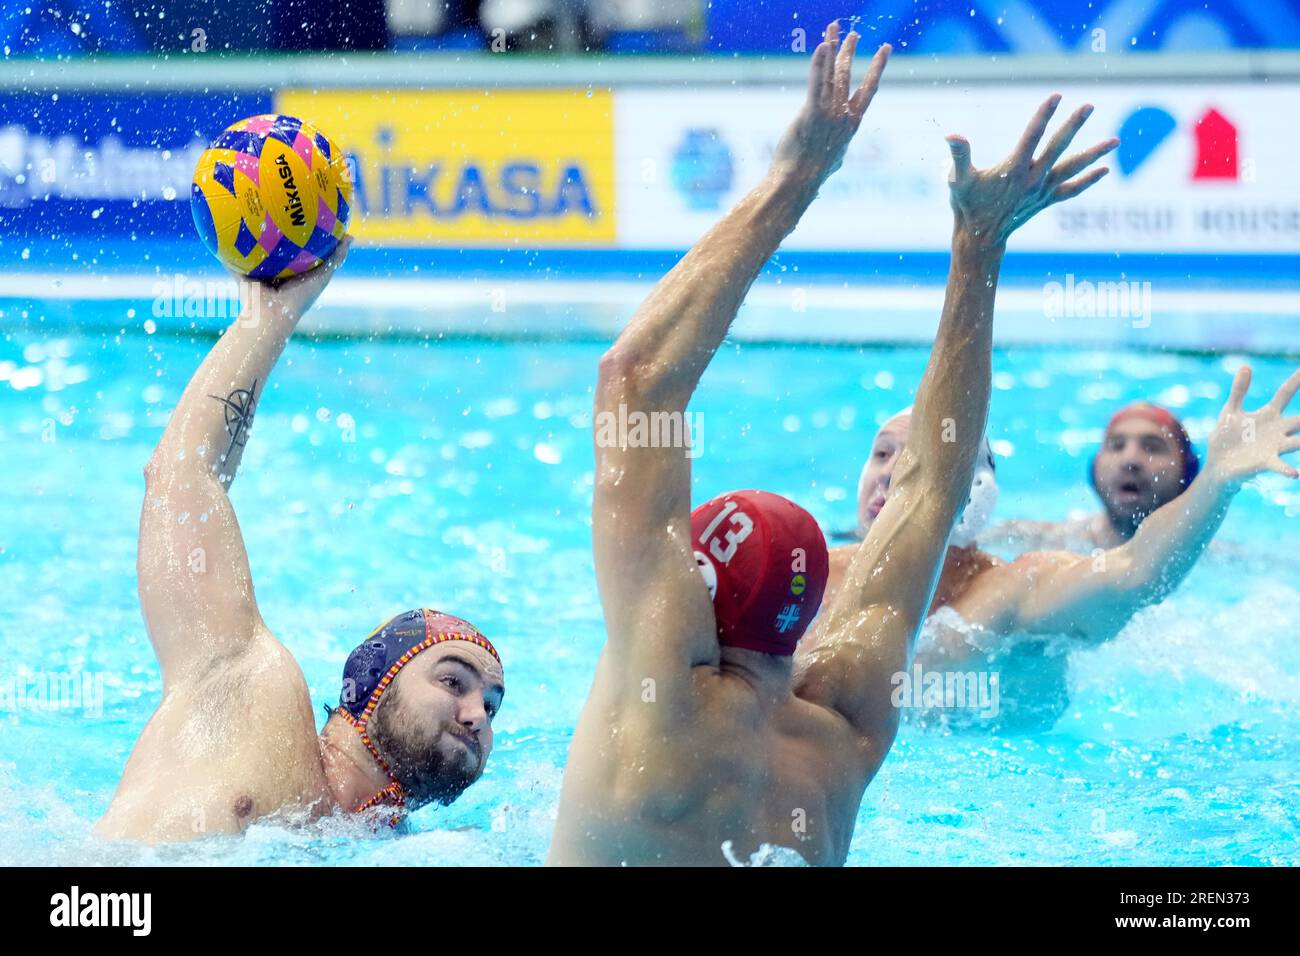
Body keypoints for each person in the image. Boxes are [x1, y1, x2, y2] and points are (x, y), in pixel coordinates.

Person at [549, 21, 1115, 865]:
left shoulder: (658, 694)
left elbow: (635, 380)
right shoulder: (843, 731)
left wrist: (796, 174)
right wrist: (979, 245)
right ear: (810, 607)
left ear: (698, 584)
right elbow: (931, 494)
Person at [96, 237, 505, 844]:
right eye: (453, 682)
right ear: (372, 686)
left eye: (492, 705)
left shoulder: (398, 846)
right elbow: (183, 475)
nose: (477, 716)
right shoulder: (251, 687)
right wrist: (268, 315)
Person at [822, 369, 1300, 730]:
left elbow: (1135, 573)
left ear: (975, 494)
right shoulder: (819, 578)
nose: (888, 473)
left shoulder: (1011, 592)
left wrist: (1216, 482)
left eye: (912, 460)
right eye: (882, 453)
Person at [984, 401, 1200, 551]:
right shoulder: (1037, 540)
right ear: (1094, 470)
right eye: (1116, 446)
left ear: (1186, 473)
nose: (1130, 461)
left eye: (1152, 448)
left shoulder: (1215, 559)